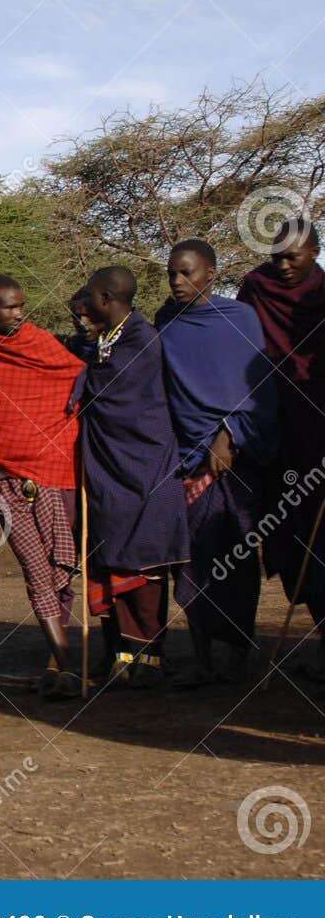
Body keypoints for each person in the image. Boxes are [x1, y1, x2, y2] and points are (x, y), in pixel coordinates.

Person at [158, 240, 277, 685]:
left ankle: (239, 653)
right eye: (171, 273)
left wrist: (227, 435)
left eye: (186, 273)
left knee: (238, 555)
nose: (176, 282)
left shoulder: (240, 319)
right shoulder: (166, 321)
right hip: (184, 458)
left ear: (211, 273)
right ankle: (202, 656)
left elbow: (258, 390)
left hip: (235, 461)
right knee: (190, 561)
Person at [0, 274, 86, 699]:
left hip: (51, 472)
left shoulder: (39, 343)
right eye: (10, 307)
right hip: (2, 478)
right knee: (36, 571)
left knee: (58, 569)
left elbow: (76, 377)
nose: (19, 314)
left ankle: (60, 664)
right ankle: (68, 665)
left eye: (21, 306)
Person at [77, 265, 190, 688]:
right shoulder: (110, 340)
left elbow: (116, 398)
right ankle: (121, 653)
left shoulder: (141, 339)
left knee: (145, 563)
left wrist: (81, 379)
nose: (85, 305)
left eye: (89, 297)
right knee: (110, 558)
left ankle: (149, 655)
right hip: (110, 473)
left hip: (144, 468)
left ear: (107, 298)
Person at [237, 218, 325, 682]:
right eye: (277, 257)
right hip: (275, 439)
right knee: (289, 542)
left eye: (294, 256)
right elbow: (240, 353)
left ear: (314, 252)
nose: (285, 266)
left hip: (320, 438)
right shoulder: (256, 289)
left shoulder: (322, 298)